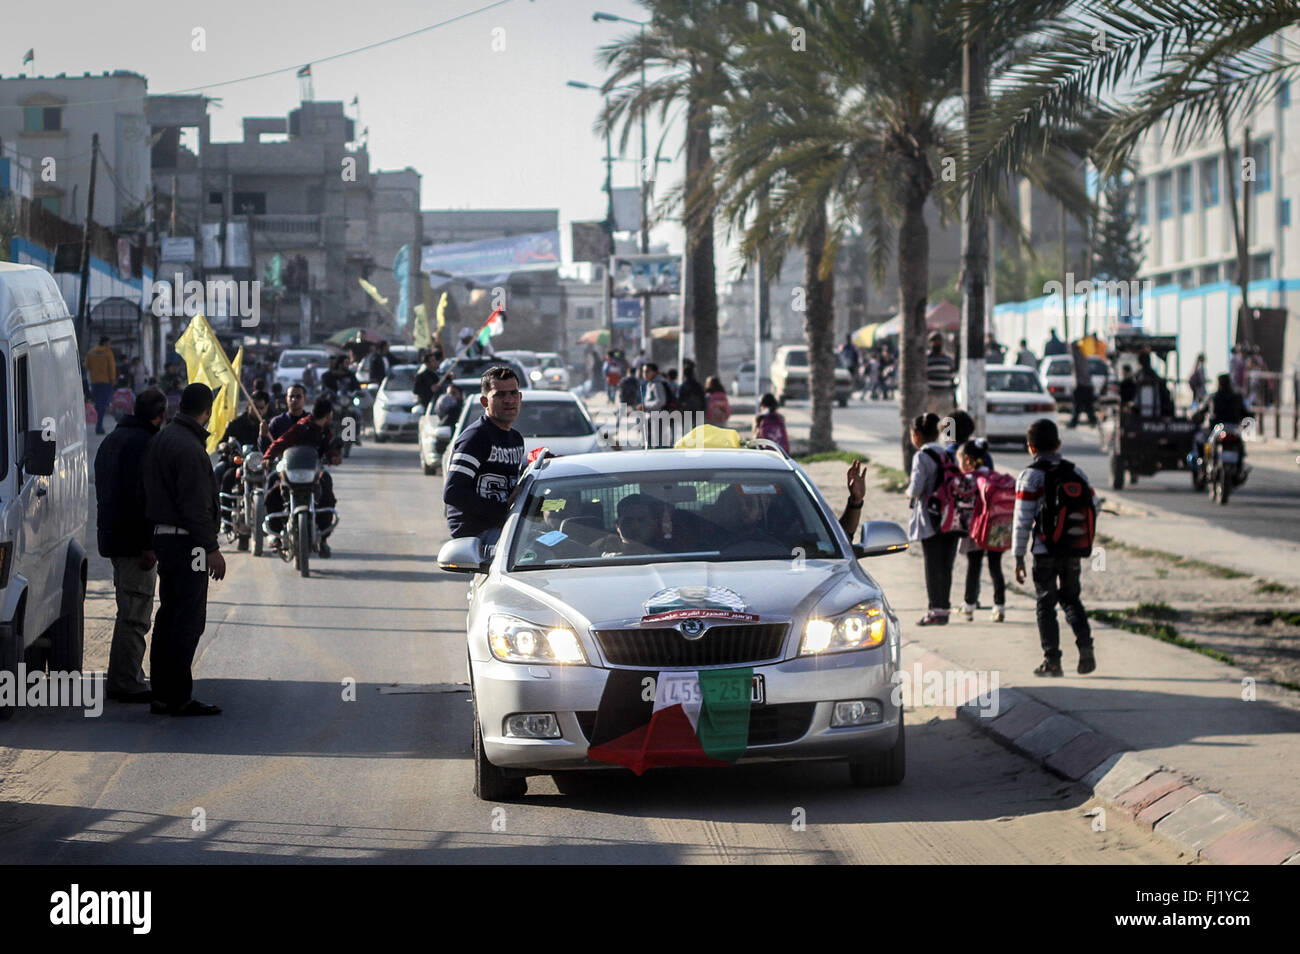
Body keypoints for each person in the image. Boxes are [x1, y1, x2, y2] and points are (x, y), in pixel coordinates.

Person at [140, 383, 226, 716]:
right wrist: (211, 549)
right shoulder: (189, 448)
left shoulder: (162, 438)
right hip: (187, 542)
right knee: (187, 620)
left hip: (166, 539)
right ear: (206, 412)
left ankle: (162, 694)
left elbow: (143, 494)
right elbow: (195, 507)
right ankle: (178, 697)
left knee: (169, 616)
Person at [94, 388, 168, 704]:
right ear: (160, 414)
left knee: (128, 608)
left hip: (113, 538)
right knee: (135, 614)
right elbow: (141, 501)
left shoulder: (113, 439)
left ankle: (125, 675)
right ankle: (125, 681)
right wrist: (147, 545)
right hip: (134, 545)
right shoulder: (145, 444)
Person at [1012, 418, 1098, 677]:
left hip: (1044, 551)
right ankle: (1085, 646)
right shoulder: (1076, 472)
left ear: (1030, 447)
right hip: (1072, 549)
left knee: (1045, 603)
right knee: (1072, 598)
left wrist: (1018, 556)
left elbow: (1022, 519)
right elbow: (1095, 505)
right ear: (1059, 444)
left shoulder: (1030, 476)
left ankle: (1052, 661)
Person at [443, 366, 526, 540]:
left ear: (520, 398)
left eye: (513, 393)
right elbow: (453, 492)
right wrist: (502, 509)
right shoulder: (476, 438)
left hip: (507, 526)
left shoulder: (516, 439)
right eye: (499, 395)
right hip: (477, 533)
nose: (509, 400)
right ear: (484, 402)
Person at [263, 395, 341, 556]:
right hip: (293, 471)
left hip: (315, 473)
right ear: (328, 415)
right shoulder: (302, 426)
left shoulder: (326, 431)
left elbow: (330, 447)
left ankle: (323, 539)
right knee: (272, 494)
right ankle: (275, 535)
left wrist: (334, 456)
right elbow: (281, 442)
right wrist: (268, 457)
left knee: (327, 496)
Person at [907, 413, 962, 625]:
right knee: (946, 565)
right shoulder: (950, 454)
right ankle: (944, 608)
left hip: (930, 518)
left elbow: (916, 488)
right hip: (952, 516)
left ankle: (934, 610)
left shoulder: (921, 456)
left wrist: (907, 492)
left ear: (917, 435)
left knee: (932, 564)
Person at [956, 440, 1007, 623]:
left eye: (960, 461)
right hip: (998, 527)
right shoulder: (995, 477)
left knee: (974, 566)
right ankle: (999, 606)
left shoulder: (969, 479)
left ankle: (969, 606)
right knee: (996, 567)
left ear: (968, 460)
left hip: (977, 528)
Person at [596, 493, 666, 556]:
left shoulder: (670, 553)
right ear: (617, 525)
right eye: (628, 520)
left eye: (642, 520)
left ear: (654, 523)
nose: (635, 526)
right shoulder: (598, 551)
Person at [85, 336, 117, 434]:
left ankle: (98, 425)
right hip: (105, 382)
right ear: (105, 343)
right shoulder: (108, 353)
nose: (110, 345)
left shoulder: (91, 353)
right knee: (103, 405)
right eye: (109, 343)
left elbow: (87, 367)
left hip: (95, 382)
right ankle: (99, 426)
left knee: (98, 404)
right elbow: (111, 368)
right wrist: (113, 380)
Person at [638, 362, 671, 448]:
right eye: (643, 371)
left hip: (657, 418)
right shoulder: (651, 383)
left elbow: (660, 401)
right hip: (653, 418)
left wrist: (645, 406)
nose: (644, 374)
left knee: (658, 445)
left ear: (655, 372)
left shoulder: (657, 384)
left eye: (647, 371)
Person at [1068, 340, 1098, 427]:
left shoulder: (1078, 357)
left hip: (1082, 386)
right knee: (1087, 406)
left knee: (1079, 406)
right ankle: (1091, 421)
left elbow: (1072, 348)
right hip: (1086, 386)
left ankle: (1076, 422)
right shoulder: (1084, 356)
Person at [925, 332, 956, 416]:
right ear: (930, 343)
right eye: (933, 341)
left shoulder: (948, 359)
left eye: (938, 340)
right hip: (932, 395)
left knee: (948, 422)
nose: (936, 343)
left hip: (945, 395)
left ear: (942, 342)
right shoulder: (926, 359)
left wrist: (954, 398)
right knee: (931, 421)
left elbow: (952, 378)